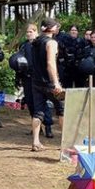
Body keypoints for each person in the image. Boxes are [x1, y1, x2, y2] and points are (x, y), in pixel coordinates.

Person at [31, 18, 64, 151]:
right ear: (52, 28)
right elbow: (50, 63)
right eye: (56, 27)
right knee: (62, 110)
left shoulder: (35, 42)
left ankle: (35, 142)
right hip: (49, 83)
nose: (58, 29)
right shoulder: (51, 43)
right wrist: (56, 82)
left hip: (36, 81)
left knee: (38, 112)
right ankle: (65, 142)